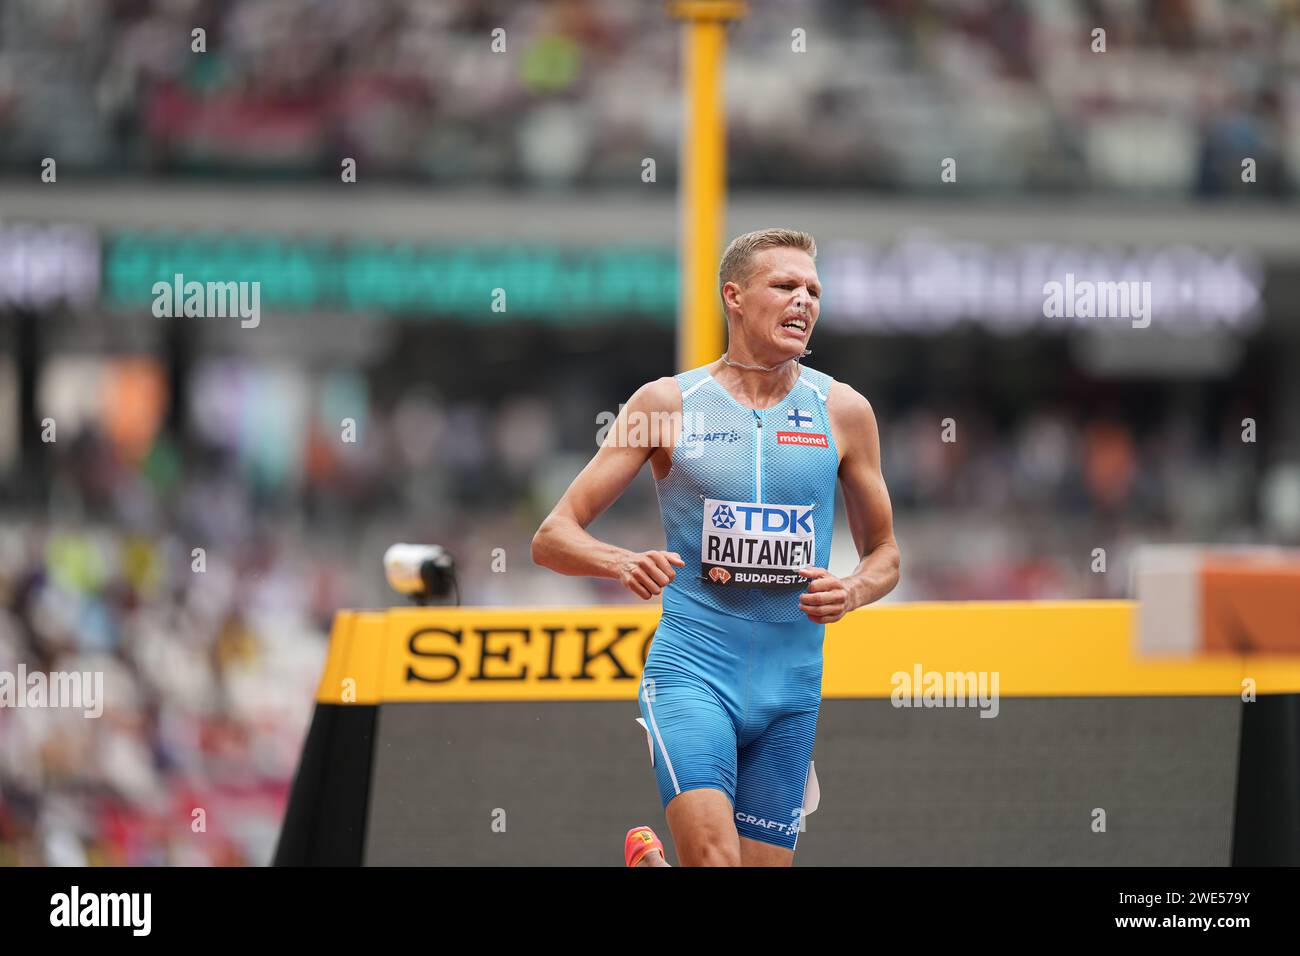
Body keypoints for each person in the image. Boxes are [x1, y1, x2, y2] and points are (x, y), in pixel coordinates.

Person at [532, 228, 900, 867]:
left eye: (813, 289)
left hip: (793, 686)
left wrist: (853, 589)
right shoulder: (666, 404)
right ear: (734, 296)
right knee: (715, 860)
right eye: (784, 286)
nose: (803, 301)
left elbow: (887, 554)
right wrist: (622, 561)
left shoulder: (843, 411)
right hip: (693, 670)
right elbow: (552, 536)